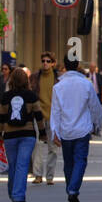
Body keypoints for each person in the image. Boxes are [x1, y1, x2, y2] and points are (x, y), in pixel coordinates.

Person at [51, 56, 102, 202]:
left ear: (65, 66)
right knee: (80, 160)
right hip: (82, 130)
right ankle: (73, 189)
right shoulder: (86, 85)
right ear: (78, 65)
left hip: (66, 130)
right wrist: (98, 124)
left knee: (68, 162)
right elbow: (95, 107)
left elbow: (55, 111)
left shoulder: (58, 87)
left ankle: (70, 188)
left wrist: (54, 131)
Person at [0, 67, 42, 202]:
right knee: (22, 165)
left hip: (10, 136)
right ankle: (18, 195)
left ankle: (12, 192)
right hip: (27, 135)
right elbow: (39, 117)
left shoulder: (6, 97)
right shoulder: (32, 96)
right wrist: (43, 133)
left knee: (13, 165)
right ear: (26, 80)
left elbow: (1, 118)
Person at [30, 51, 60, 184]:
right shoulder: (35, 77)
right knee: (36, 145)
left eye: (48, 61)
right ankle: (37, 175)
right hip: (38, 116)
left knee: (52, 148)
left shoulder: (58, 78)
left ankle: (49, 176)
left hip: (53, 117)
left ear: (53, 63)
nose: (45, 63)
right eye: (43, 61)